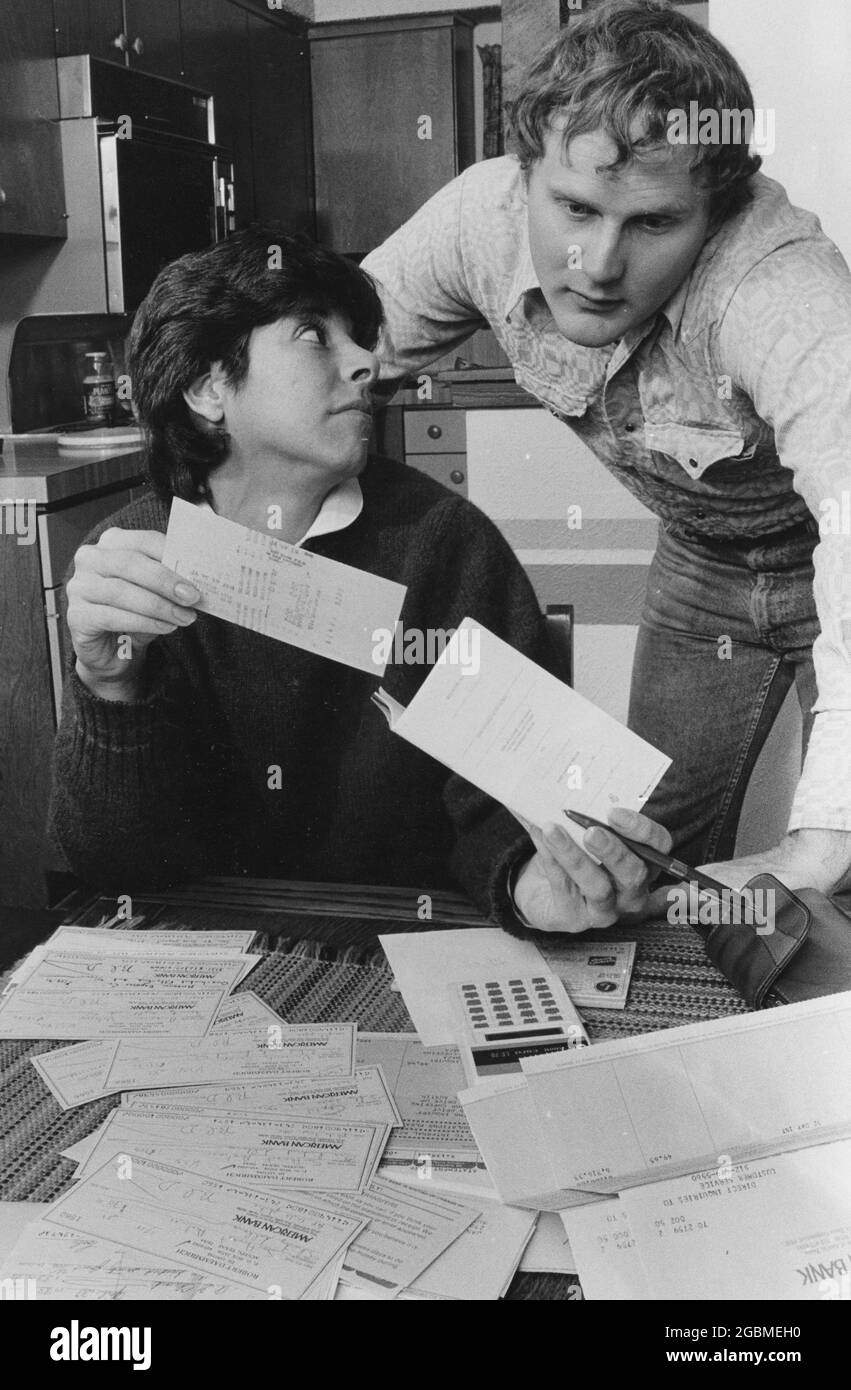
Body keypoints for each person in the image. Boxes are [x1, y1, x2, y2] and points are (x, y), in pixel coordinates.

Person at [361, 0, 851, 898]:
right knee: (643, 855)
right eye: (574, 208)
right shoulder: (478, 219)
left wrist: (823, 842)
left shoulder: (784, 294)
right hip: (703, 564)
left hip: (832, 558)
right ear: (524, 174)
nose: (596, 263)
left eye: (653, 223)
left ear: (716, 213)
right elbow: (333, 364)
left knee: (833, 874)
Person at [50, 227, 670, 934]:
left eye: (360, 338)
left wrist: (532, 880)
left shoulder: (443, 542)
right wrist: (108, 687)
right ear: (207, 387)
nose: (367, 363)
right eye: (314, 336)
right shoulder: (134, 563)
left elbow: (502, 800)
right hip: (208, 943)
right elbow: (118, 869)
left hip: (408, 939)